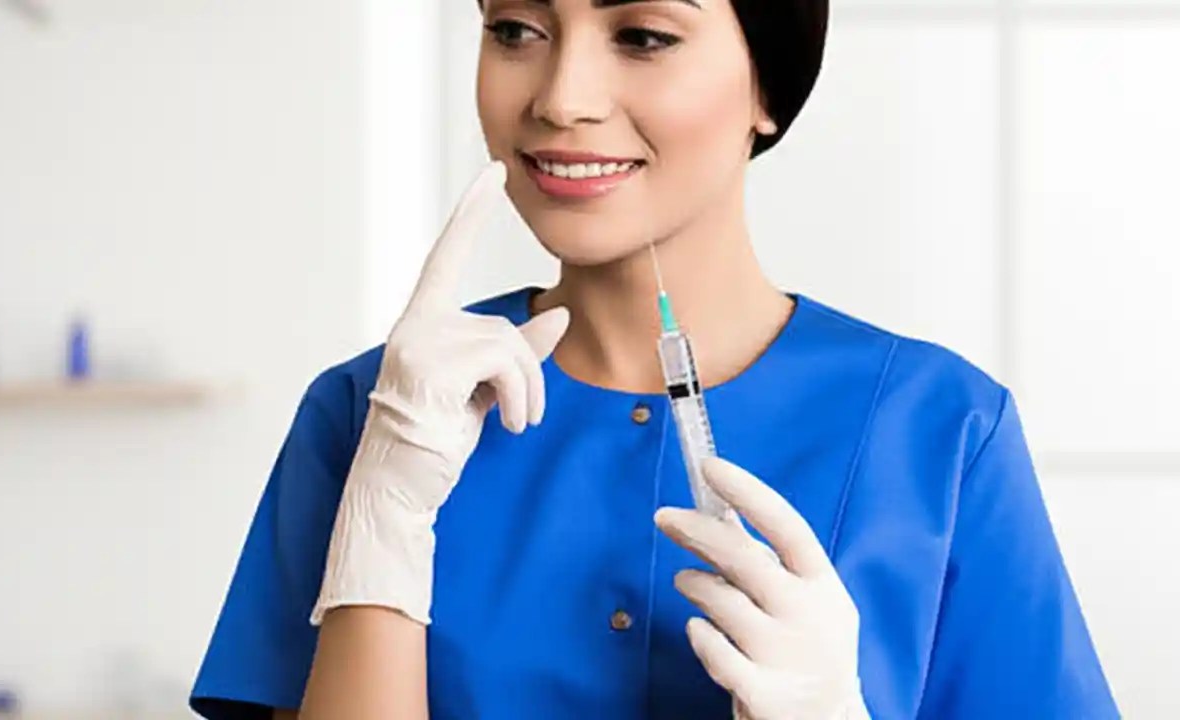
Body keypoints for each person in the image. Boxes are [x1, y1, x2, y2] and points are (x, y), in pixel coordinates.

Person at [189, 0, 1120, 718]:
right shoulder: (375, 413)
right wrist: (382, 530)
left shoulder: (941, 427)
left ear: (768, 87)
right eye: (515, 29)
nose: (561, 98)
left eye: (642, 37)